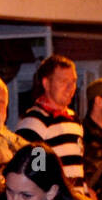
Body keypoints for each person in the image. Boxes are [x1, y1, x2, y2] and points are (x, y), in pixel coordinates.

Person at [18, 54, 86, 188]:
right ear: (46, 84)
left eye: (73, 81)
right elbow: (35, 175)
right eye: (63, 81)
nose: (70, 87)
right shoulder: (33, 123)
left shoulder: (74, 120)